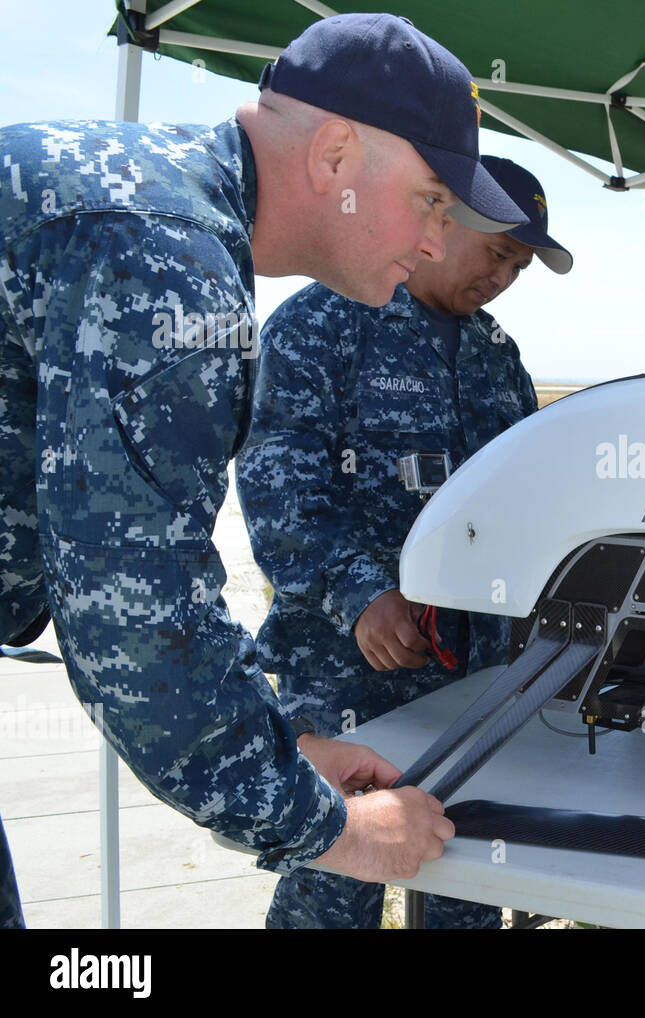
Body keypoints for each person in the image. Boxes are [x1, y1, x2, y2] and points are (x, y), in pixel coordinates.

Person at [0, 13, 528, 929]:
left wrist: (283, 748)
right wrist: (338, 832)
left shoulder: (148, 201)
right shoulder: (166, 260)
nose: (439, 243)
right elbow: (136, 630)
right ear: (333, 157)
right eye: (432, 200)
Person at [237, 156, 571, 929]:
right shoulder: (324, 325)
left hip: (474, 682)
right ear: (445, 220)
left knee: (467, 882)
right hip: (350, 679)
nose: (504, 279)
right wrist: (362, 596)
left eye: (519, 268)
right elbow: (280, 489)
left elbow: (524, 500)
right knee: (333, 883)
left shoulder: (496, 357)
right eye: (498, 254)